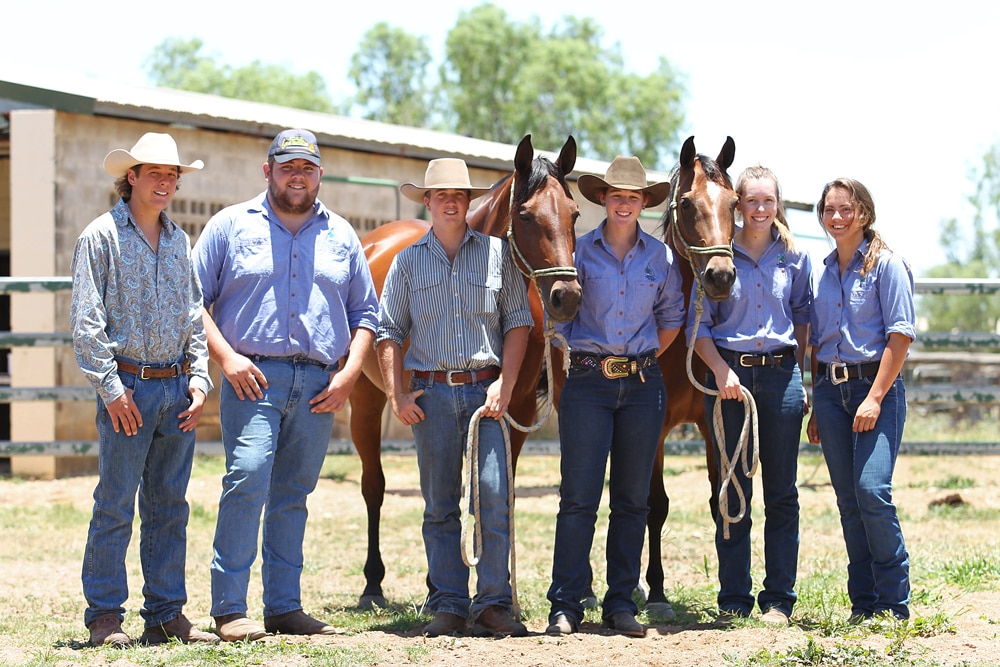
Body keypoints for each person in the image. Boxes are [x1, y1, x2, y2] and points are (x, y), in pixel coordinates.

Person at [193, 129, 379, 641]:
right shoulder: (230, 225)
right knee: (247, 479)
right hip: (252, 377)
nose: (298, 176)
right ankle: (230, 608)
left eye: (307, 168)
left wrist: (349, 374)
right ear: (268, 170)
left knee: (294, 493)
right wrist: (226, 358)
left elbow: (367, 314)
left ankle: (283, 607)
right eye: (288, 166)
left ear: (320, 174)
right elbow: (192, 299)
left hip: (319, 383)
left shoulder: (342, 235)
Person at [70, 132, 218, 647]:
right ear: (130, 176)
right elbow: (86, 321)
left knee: (170, 505)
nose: (165, 182)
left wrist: (199, 378)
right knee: (115, 502)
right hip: (128, 387)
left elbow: (194, 316)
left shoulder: (180, 241)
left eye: (172, 175)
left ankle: (165, 613)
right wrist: (111, 390)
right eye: (155, 172)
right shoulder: (100, 237)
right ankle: (104, 616)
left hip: (175, 386)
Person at [376, 158, 532, 638]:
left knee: (493, 497)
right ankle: (448, 603)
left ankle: (493, 604)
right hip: (434, 396)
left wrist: (506, 384)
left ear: (468, 202)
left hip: (487, 395)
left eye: (459, 195)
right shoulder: (407, 262)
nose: (450, 202)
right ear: (427, 201)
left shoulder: (498, 255)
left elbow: (518, 323)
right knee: (440, 504)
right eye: (441, 194)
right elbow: (388, 331)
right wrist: (397, 395)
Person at [545, 156, 684, 638]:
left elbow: (671, 319)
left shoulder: (661, 258)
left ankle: (620, 602)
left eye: (633, 197)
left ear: (644, 203)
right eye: (617, 196)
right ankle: (565, 604)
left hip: (643, 387)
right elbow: (558, 316)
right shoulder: (578, 253)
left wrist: (638, 358)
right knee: (578, 498)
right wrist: (590, 355)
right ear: (603, 199)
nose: (625, 204)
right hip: (587, 384)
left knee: (632, 500)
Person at [689, 165, 811, 626]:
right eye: (752, 201)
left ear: (777, 204)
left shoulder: (794, 257)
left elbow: (802, 320)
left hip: (781, 377)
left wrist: (798, 377)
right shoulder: (718, 256)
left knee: (782, 493)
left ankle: (779, 599)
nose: (761, 209)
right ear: (739, 205)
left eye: (768, 200)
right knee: (731, 490)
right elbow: (698, 327)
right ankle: (734, 598)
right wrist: (721, 371)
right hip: (730, 378)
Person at [806, 178, 915, 622]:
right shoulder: (823, 272)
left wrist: (874, 397)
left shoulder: (887, 265)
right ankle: (864, 603)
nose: (836, 217)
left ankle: (894, 601)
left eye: (845, 209)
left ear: (864, 213)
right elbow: (817, 342)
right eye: (829, 210)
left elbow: (900, 335)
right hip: (830, 393)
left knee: (872, 491)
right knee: (848, 500)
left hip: (876, 390)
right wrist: (817, 402)